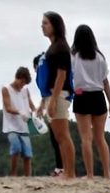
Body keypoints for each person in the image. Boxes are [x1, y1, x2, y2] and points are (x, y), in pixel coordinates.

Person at [70, 24, 110, 178]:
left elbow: (70, 77)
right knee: (100, 137)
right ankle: (107, 173)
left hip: (82, 96)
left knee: (86, 138)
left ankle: (90, 174)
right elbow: (105, 81)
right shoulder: (99, 57)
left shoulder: (74, 56)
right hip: (98, 96)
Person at [36, 12, 75, 179]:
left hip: (58, 94)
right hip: (52, 94)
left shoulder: (60, 47)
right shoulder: (53, 47)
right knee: (59, 136)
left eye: (45, 23)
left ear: (55, 25)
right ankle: (66, 171)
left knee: (62, 135)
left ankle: (70, 172)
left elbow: (62, 75)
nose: (42, 26)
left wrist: (52, 99)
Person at [2, 67, 36, 177]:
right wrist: (20, 112)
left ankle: (28, 176)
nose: (23, 85)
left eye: (25, 83)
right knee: (16, 147)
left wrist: (36, 114)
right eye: (22, 82)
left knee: (27, 153)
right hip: (11, 125)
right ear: (18, 77)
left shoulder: (25, 91)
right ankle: (13, 174)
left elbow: (31, 105)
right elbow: (8, 107)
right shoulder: (6, 89)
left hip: (24, 126)